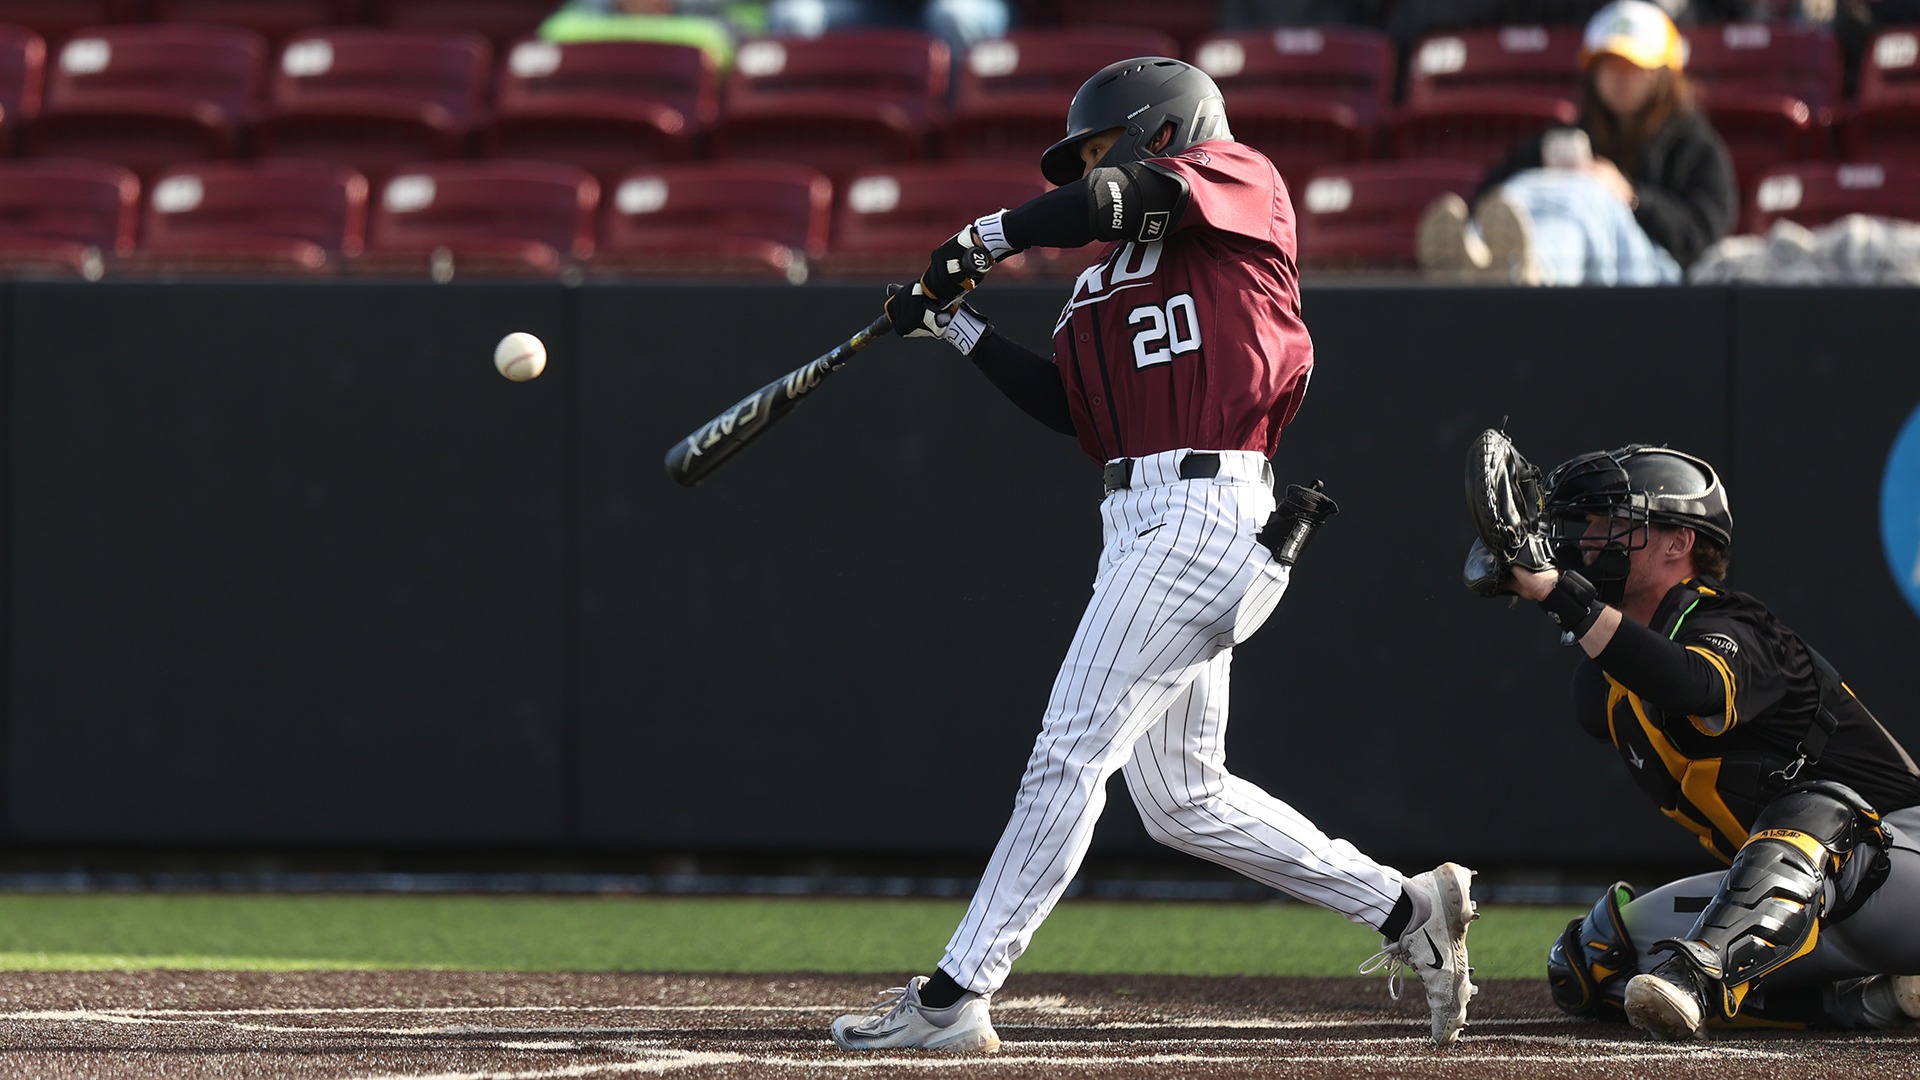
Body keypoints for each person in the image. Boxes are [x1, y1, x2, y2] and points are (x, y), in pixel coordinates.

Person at [827, 56, 1478, 1055]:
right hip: (1137, 517)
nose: (1087, 166)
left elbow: (1115, 196)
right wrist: (951, 324)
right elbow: (1073, 411)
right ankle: (1407, 910)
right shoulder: (1097, 288)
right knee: (1183, 801)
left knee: (1068, 752)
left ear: (1156, 127)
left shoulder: (1236, 178)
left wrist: (979, 240)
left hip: (1204, 509)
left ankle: (956, 997)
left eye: (1101, 141)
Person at [1484, 443, 1920, 1039]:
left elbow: (1689, 685)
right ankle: (1874, 1002)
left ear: (1677, 542)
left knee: (1817, 807)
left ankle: (1699, 978)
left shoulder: (1737, 624)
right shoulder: (1606, 681)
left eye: (1612, 524)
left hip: (1895, 868)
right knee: (1589, 962)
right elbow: (1630, 663)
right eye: (1587, 525)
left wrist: (1558, 594)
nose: (1589, 542)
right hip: (1813, 905)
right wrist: (1545, 592)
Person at [1416, 0, 1738, 285]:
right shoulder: (1573, 133)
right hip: (1588, 276)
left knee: (1584, 197)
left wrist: (1630, 196)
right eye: (1608, 65)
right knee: (1527, 185)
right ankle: (1476, 263)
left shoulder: (1697, 147)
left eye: (1633, 67)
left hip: (1655, 280)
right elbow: (1491, 197)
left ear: (1664, 74)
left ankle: (1534, 273)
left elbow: (1700, 237)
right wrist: (1545, 163)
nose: (1619, 77)